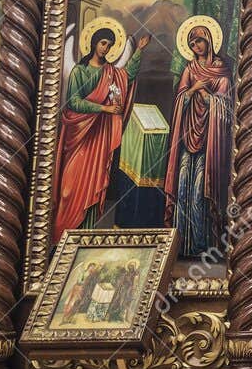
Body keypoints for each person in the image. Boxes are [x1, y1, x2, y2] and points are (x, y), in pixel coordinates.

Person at [51, 23, 150, 242]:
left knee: (94, 187)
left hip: (99, 139)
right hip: (78, 136)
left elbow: (127, 77)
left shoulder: (111, 73)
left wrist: (140, 50)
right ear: (94, 43)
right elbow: (73, 102)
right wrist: (103, 108)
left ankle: (82, 238)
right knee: (69, 188)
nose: (106, 48)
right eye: (104, 43)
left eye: (110, 45)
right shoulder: (80, 71)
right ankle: (62, 237)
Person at [162, 20, 233, 259]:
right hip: (187, 139)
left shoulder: (222, 71)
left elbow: (225, 107)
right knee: (183, 185)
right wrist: (193, 91)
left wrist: (205, 94)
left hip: (209, 143)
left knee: (202, 188)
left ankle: (202, 245)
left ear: (209, 41)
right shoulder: (189, 69)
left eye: (199, 41)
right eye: (192, 43)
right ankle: (181, 242)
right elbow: (180, 99)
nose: (196, 46)